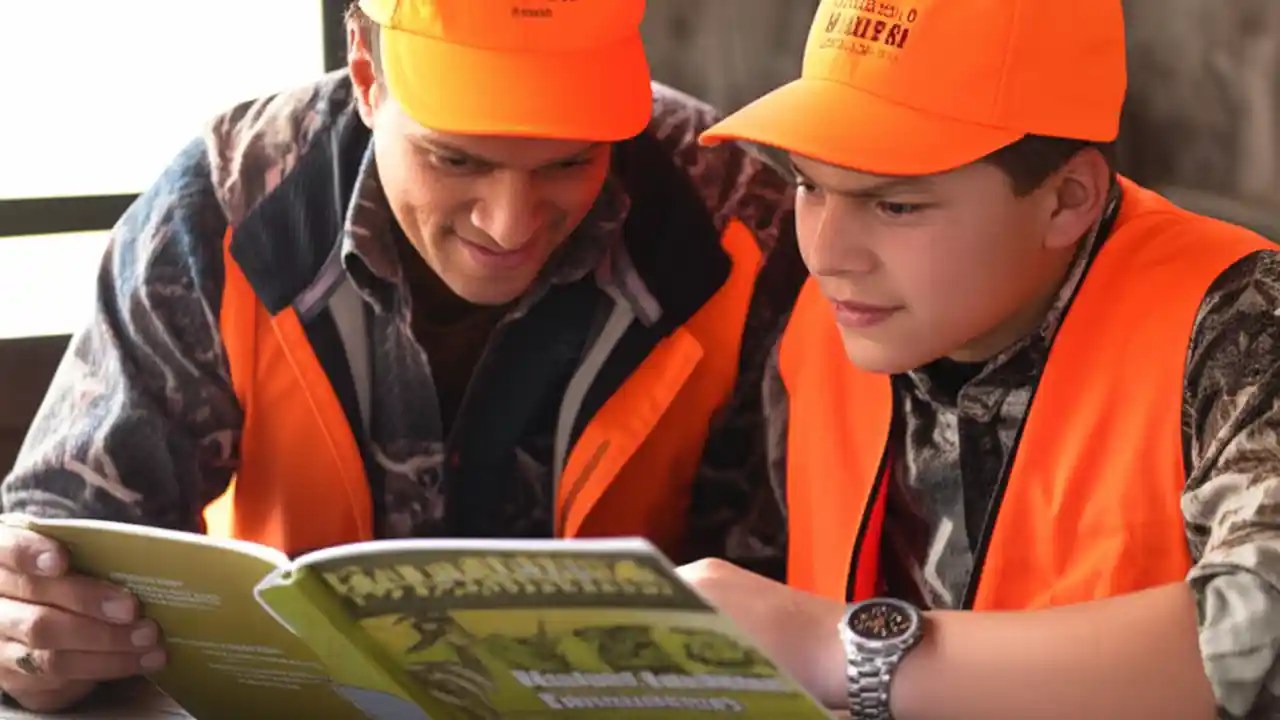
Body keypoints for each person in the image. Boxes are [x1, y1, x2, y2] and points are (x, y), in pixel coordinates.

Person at [0, 0, 794, 711]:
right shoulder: (226, 203)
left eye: (569, 162)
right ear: (366, 74)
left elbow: (802, 577)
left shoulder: (737, 219)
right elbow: (69, 542)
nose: (509, 225)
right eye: (458, 159)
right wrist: (41, 633)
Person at [681, 1, 1280, 718]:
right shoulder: (820, 327)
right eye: (810, 184)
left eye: (896, 206)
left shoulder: (1244, 319)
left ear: (1068, 199)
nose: (828, 255)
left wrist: (838, 649)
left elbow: (1263, 623)